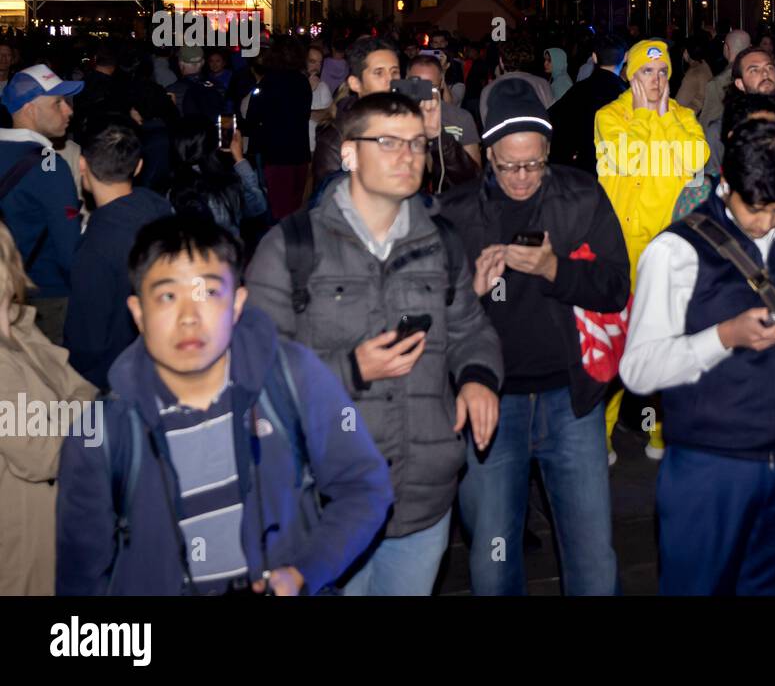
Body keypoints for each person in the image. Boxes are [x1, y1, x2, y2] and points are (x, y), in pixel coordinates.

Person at [245, 92, 504, 595]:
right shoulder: (292, 248)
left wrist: (476, 379)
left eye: (416, 143)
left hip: (421, 499)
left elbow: (471, 330)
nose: (408, 155)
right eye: (388, 142)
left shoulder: (441, 242)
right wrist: (350, 368)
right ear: (348, 154)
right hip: (326, 501)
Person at [57, 214, 394, 595]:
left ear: (237, 303)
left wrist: (304, 571)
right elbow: (80, 575)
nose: (188, 318)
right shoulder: (102, 432)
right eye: (168, 296)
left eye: (208, 293)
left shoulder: (291, 376)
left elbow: (365, 486)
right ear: (138, 313)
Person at [621, 119, 775, 594]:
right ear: (725, 182)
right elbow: (638, 368)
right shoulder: (675, 251)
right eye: (756, 209)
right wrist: (723, 337)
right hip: (710, 470)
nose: (766, 222)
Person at [439, 79, 628, 595]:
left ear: (547, 150)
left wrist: (554, 269)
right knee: (494, 555)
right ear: (488, 156)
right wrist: (472, 291)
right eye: (508, 166)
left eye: (533, 164)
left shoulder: (581, 196)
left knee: (592, 553)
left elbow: (615, 287)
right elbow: (430, 318)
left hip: (572, 398)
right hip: (493, 405)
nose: (522, 178)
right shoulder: (455, 215)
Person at [595, 39, 708, 463]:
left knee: (667, 339)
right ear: (631, 75)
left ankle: (661, 433)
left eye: (662, 73)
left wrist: (661, 120)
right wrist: (647, 119)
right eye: (647, 72)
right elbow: (629, 159)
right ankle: (601, 435)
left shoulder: (683, 116)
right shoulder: (609, 116)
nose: (656, 80)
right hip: (622, 248)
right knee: (618, 344)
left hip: (670, 247)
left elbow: (696, 157)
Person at [0, 220, 97, 595]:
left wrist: (69, 415)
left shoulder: (22, 329)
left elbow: (84, 390)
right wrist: (76, 415)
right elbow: (46, 453)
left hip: (54, 533)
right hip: (20, 553)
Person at [64, 123, 173, 392]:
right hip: (160, 361)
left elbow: (86, 341)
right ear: (138, 167)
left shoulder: (96, 246)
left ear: (81, 165)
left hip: (114, 380)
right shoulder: (160, 209)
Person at [0, 65, 84, 344]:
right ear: (30, 109)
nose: (69, 111)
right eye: (57, 103)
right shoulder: (49, 165)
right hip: (44, 298)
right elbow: (70, 251)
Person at [702, 46, 775, 217]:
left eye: (769, 67)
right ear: (740, 84)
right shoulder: (719, 131)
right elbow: (705, 188)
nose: (765, 74)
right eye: (754, 70)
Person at [312, 36, 402, 189]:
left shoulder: (405, 126)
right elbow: (330, 201)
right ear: (355, 83)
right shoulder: (335, 139)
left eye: (394, 72)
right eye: (379, 73)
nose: (390, 80)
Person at [168, 116, 268, 240]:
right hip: (226, 255)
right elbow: (258, 207)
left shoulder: (170, 190)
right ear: (213, 145)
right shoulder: (226, 187)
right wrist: (239, 159)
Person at [244, 41, 312, 220]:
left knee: (278, 208)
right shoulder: (302, 82)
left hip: (276, 154)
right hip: (299, 151)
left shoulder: (267, 83)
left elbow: (252, 118)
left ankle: (280, 245)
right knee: (296, 206)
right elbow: (305, 113)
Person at [549, 35, 626, 175]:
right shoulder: (627, 95)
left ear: (594, 57)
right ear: (625, 58)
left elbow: (552, 118)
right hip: (615, 172)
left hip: (581, 171)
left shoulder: (578, 90)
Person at [405, 54, 480, 194]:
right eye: (418, 86)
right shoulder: (395, 119)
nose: (425, 92)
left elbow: (474, 175)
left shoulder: (460, 118)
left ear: (440, 84)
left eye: (431, 86)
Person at [699, 29, 751, 127]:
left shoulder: (717, 83)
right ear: (749, 48)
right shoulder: (757, 75)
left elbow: (707, 122)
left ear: (726, 48)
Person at [674, 39, 712, 116]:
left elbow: (680, 103)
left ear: (686, 52)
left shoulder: (693, 74)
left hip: (693, 118)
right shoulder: (705, 65)